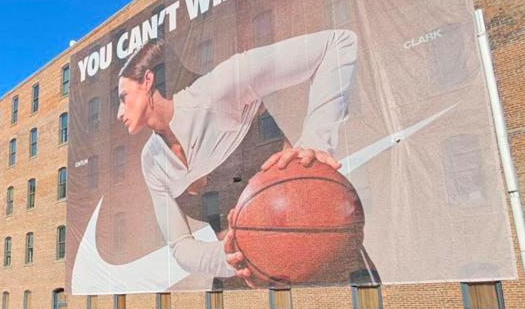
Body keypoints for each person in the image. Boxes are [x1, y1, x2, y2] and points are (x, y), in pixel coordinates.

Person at [115, 30, 359, 286]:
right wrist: (230, 258)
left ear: (148, 80)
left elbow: (336, 44)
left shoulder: (217, 90)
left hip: (319, 243)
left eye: (123, 98)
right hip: (250, 277)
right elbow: (180, 246)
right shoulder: (152, 161)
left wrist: (316, 143)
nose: (120, 113)